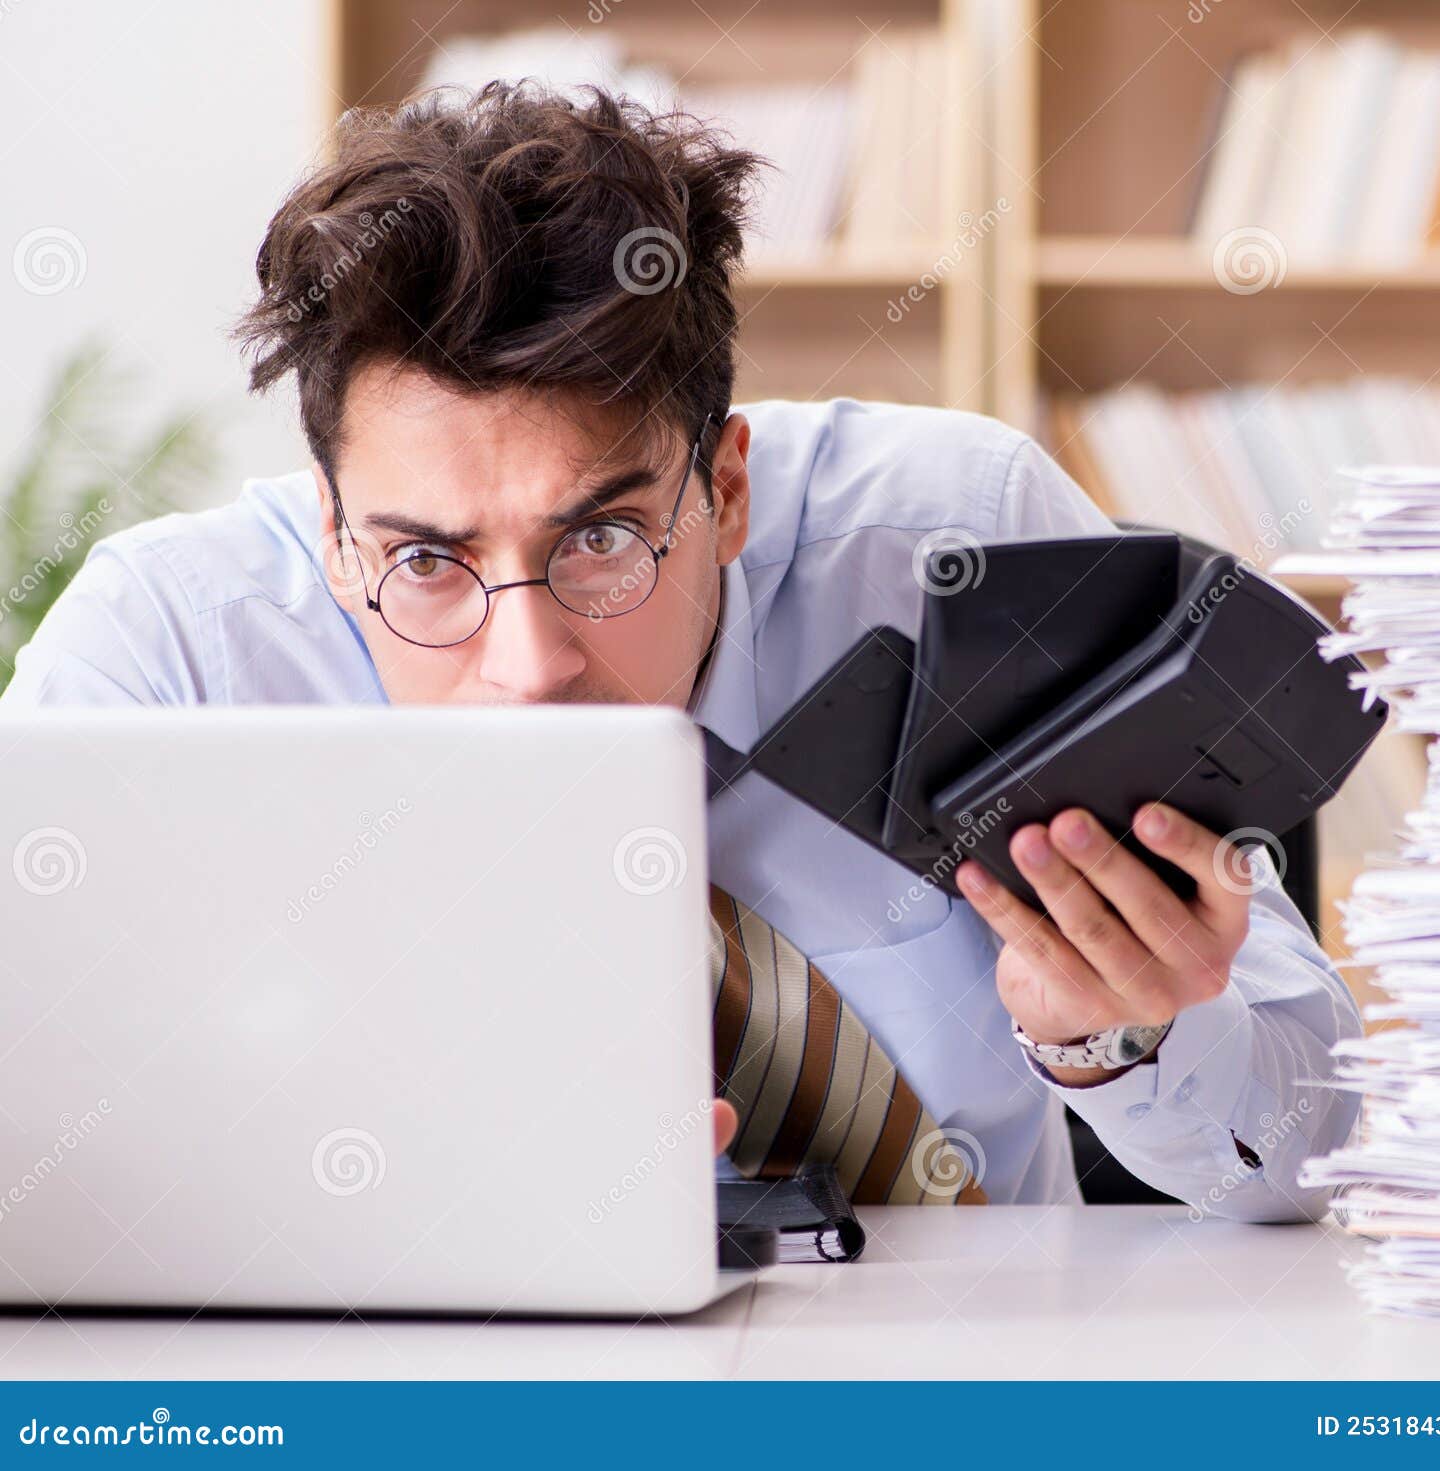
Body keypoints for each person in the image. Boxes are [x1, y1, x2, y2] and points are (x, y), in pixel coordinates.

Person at [3, 81, 1358, 1218]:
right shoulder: (170, 659)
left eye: (600, 540)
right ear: (334, 533)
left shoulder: (961, 550)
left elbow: (1326, 1148)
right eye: (426, 560)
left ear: (725, 487)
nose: (529, 663)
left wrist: (1127, 1036)